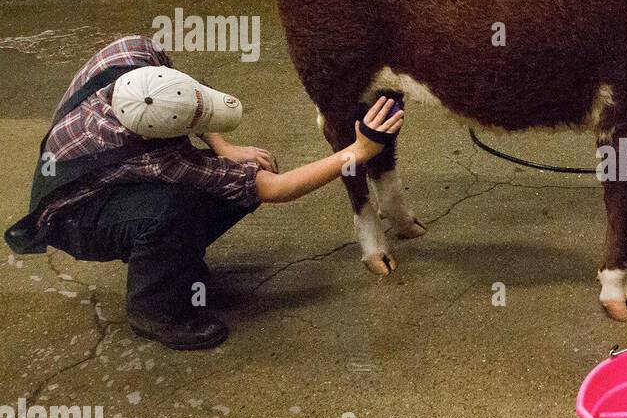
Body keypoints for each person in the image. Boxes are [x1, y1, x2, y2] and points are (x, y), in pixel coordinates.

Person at [5, 36, 404, 350]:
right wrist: (359, 151)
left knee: (224, 180)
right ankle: (155, 310)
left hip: (97, 178)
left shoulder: (129, 53)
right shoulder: (155, 159)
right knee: (176, 210)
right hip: (74, 216)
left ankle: (171, 260)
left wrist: (225, 147)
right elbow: (275, 189)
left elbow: (176, 96)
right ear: (159, 136)